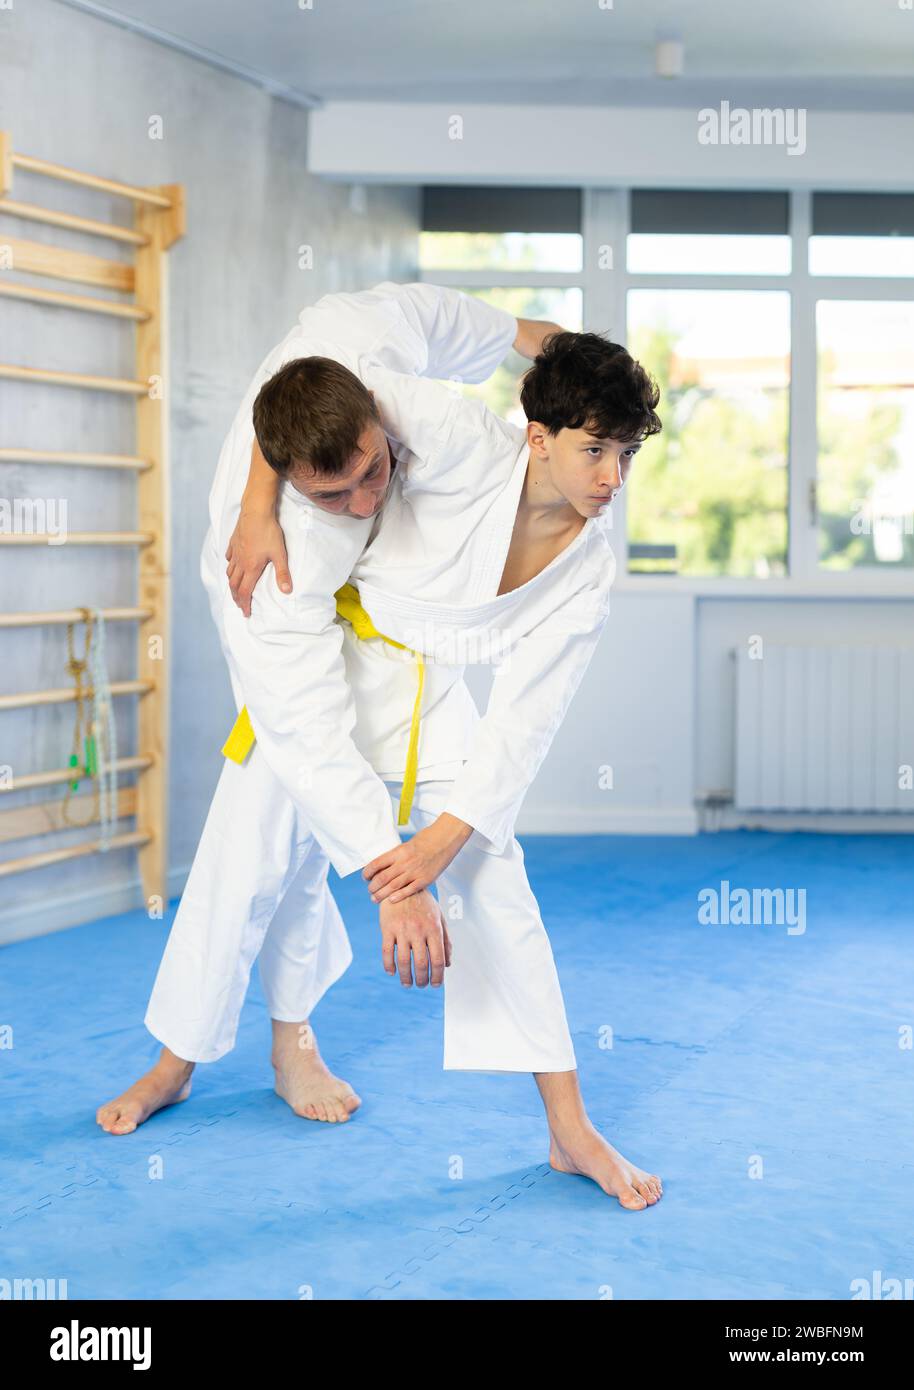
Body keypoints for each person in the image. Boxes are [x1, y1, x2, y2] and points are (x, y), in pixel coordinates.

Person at [97, 283, 664, 1210]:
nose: (610, 476)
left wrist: (443, 845)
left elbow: (526, 720)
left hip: (419, 674)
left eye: (622, 452)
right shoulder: (282, 543)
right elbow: (306, 722)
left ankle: (569, 1127)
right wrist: (388, 876)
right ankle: (176, 1061)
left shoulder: (554, 542)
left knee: (495, 877)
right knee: (253, 856)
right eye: (592, 448)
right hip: (318, 658)